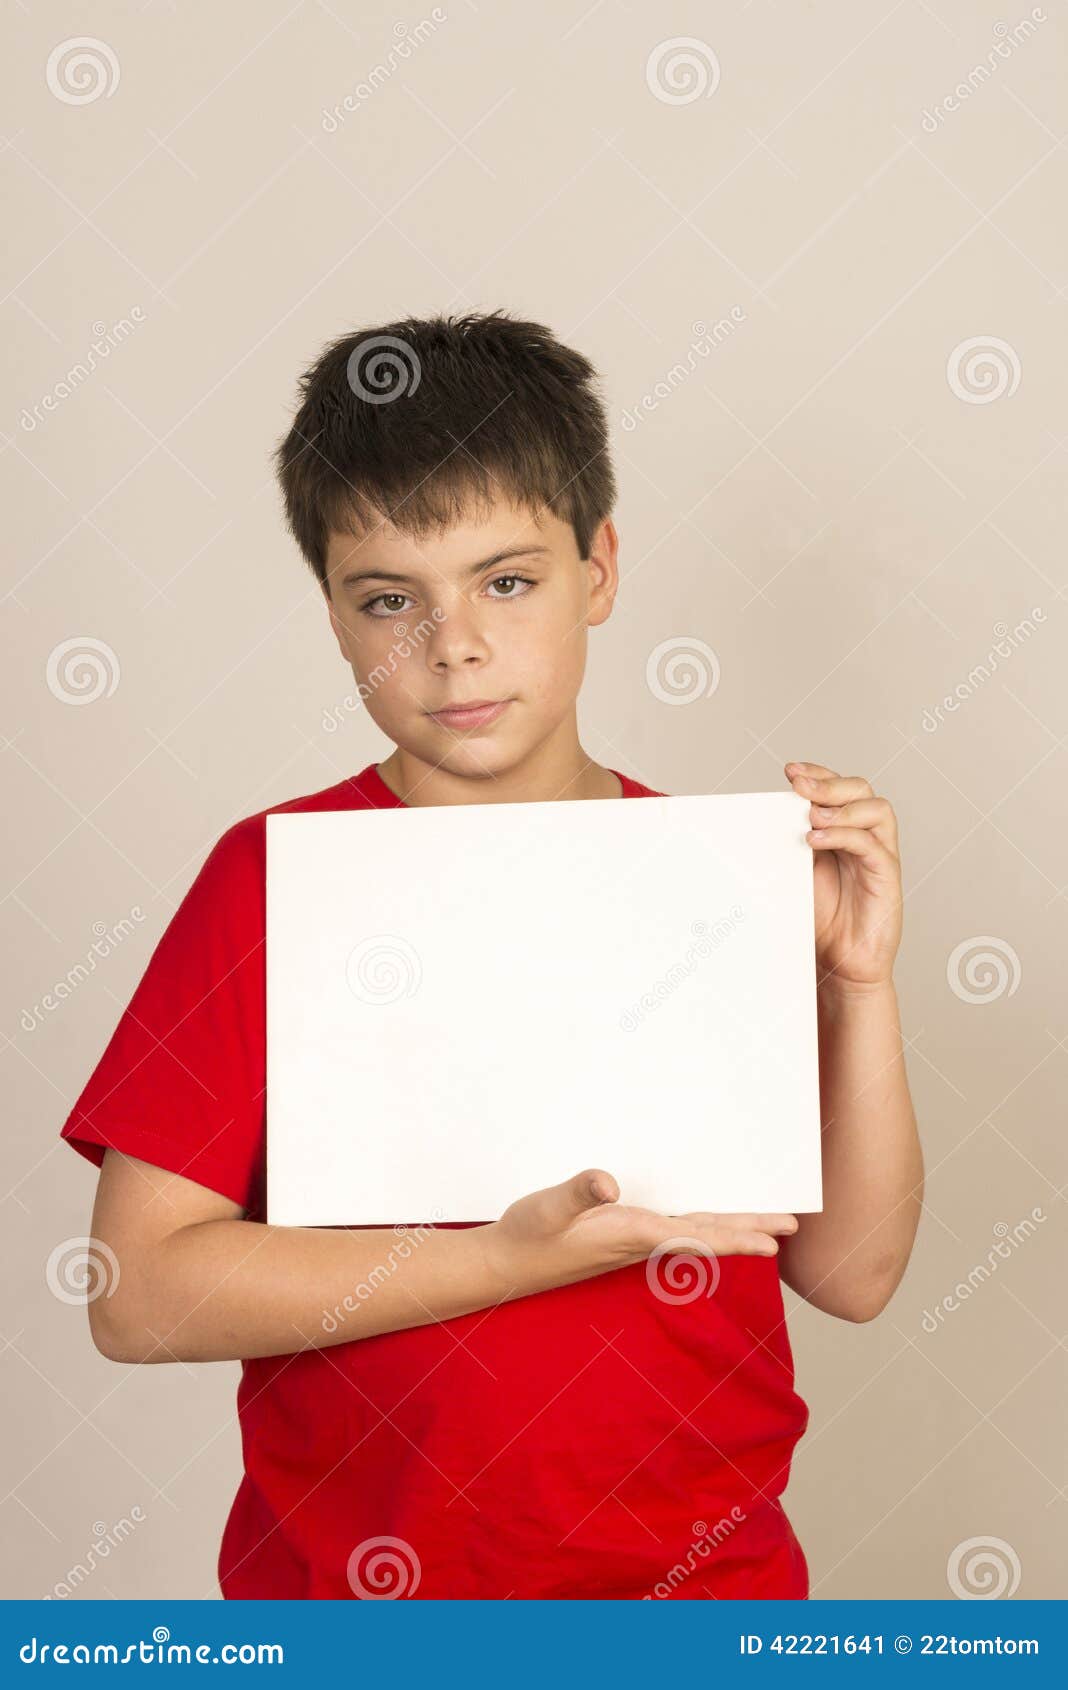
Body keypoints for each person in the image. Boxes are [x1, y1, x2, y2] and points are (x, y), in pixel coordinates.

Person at [59, 310, 923, 1601]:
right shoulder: (274, 876)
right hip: (356, 1616)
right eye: (388, 599)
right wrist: (503, 1257)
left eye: (506, 580)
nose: (451, 643)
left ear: (600, 569)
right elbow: (138, 1292)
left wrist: (858, 985)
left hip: (703, 1602)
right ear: (336, 619)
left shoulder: (714, 880)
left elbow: (850, 1272)